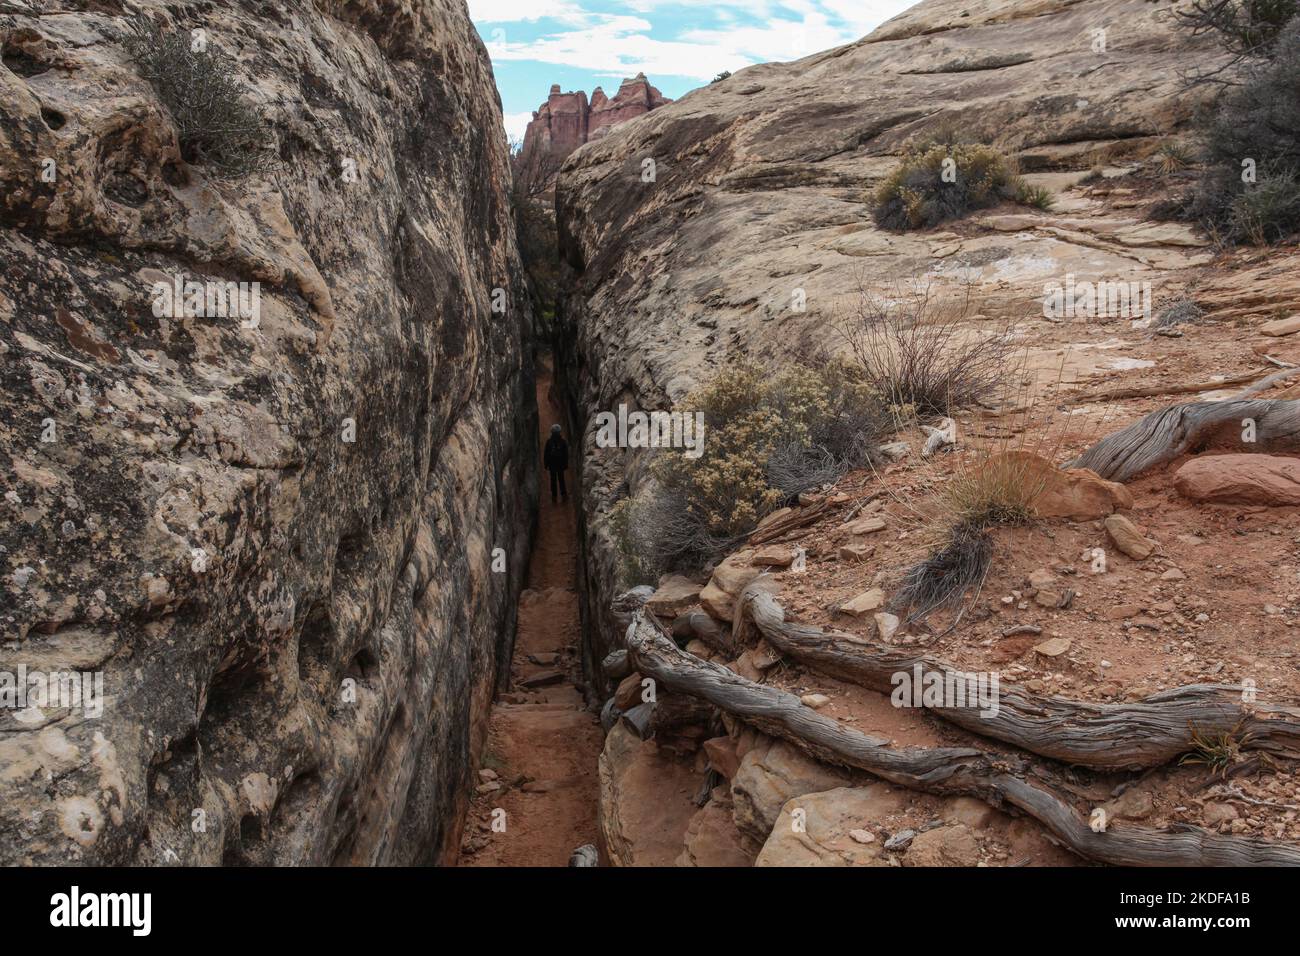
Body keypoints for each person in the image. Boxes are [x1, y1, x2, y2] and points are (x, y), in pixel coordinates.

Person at [543, 423, 569, 504]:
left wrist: (546, 464)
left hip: (552, 465)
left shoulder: (549, 442)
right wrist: (565, 464)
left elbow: (546, 454)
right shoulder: (563, 442)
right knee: (561, 480)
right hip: (560, 464)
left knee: (553, 480)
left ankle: (554, 497)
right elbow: (565, 454)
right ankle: (564, 495)